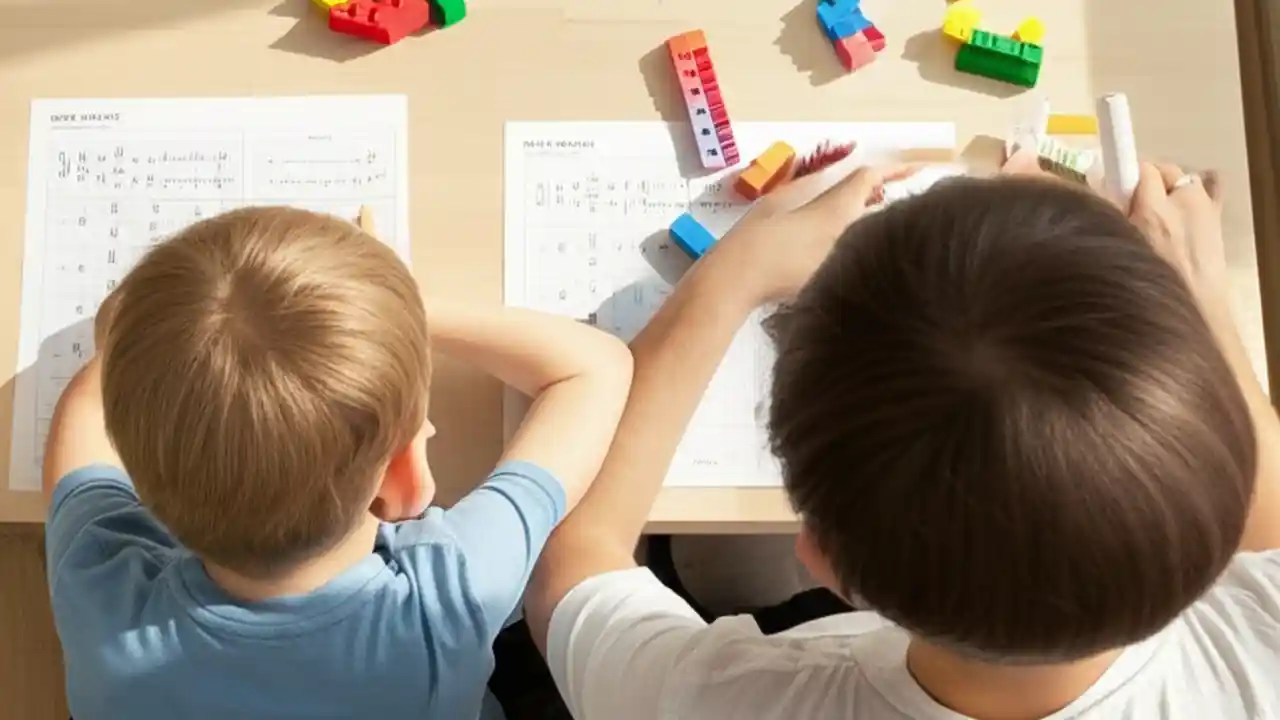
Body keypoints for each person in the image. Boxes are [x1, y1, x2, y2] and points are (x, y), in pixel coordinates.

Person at [523, 156, 1280, 718]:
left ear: (820, 555)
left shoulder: (734, 702)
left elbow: (569, 565)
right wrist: (1195, 292)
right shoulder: (1259, 648)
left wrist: (734, 273)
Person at [42, 206, 632, 719]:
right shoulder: (449, 597)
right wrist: (390, 314)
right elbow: (594, 367)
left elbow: (93, 392)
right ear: (405, 483)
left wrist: (160, 327)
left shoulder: (98, 594)